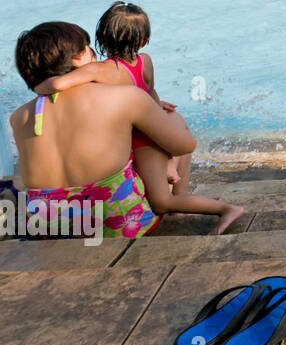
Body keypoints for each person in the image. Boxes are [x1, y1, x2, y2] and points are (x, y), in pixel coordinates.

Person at [28, 3, 242, 232]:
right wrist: (157, 106)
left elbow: (58, 84)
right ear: (143, 40)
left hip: (142, 139)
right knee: (169, 193)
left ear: (101, 38)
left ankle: (226, 209)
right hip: (158, 125)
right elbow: (149, 91)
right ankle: (178, 197)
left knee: (161, 202)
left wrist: (37, 87)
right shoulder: (145, 60)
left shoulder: (101, 70)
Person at [11, 22, 193, 240]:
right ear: (78, 58)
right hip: (116, 225)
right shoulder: (123, 97)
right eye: (89, 47)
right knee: (171, 120)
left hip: (47, 227)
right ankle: (176, 204)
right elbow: (184, 145)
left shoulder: (19, 116)